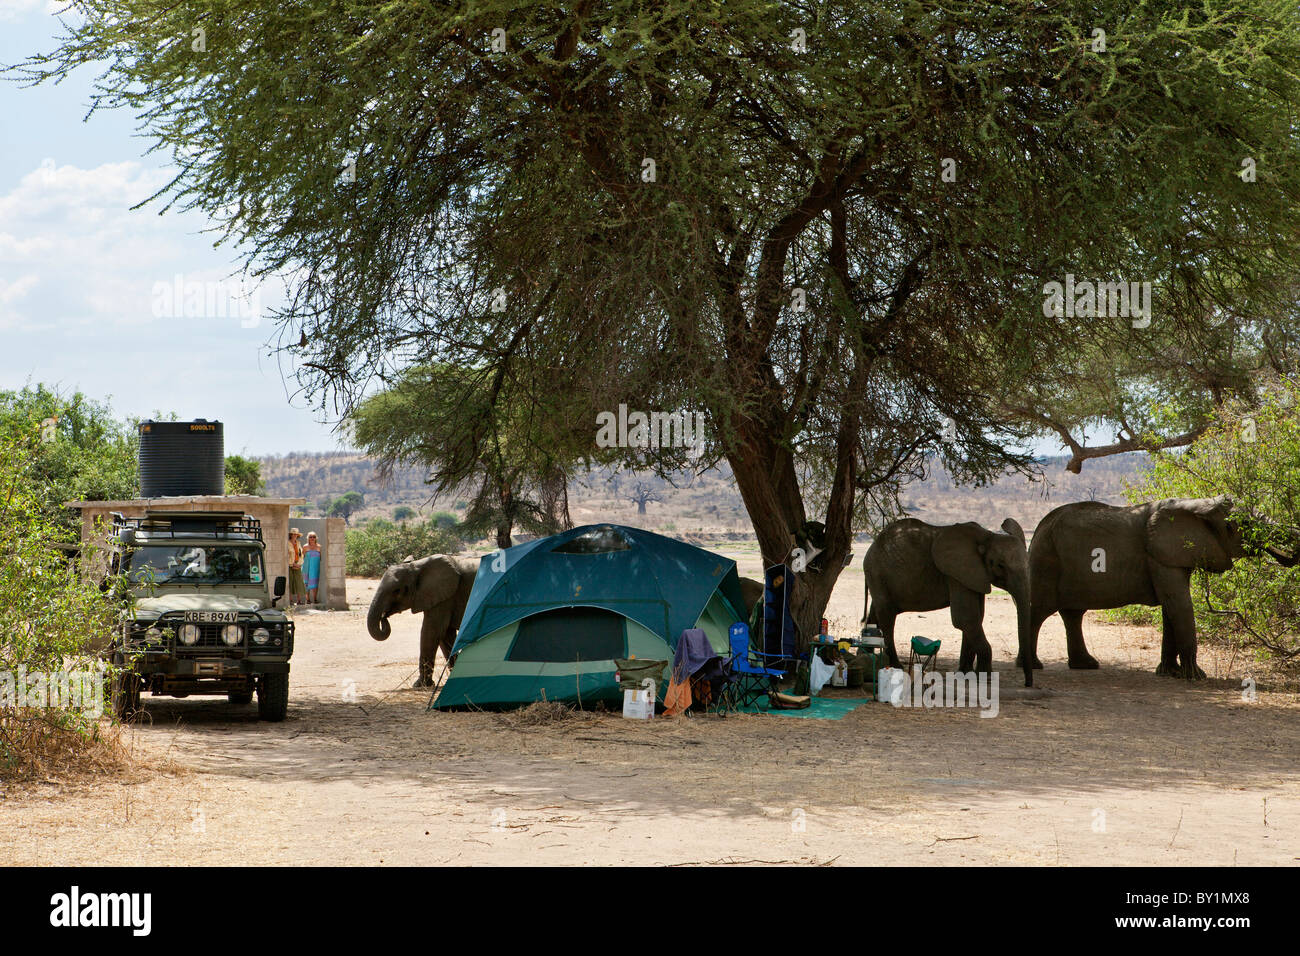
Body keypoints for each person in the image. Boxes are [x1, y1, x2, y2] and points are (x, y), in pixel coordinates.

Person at [303, 531, 322, 605]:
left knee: (315, 583)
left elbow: (320, 557)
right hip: (306, 567)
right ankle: (307, 599)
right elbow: (303, 557)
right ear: (308, 538)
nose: (312, 538)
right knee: (307, 583)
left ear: (316, 538)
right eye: (310, 537)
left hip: (315, 567)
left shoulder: (319, 547)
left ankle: (315, 598)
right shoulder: (305, 547)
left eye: (314, 537)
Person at [287, 529, 306, 606]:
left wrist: (299, 564)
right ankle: (290, 600)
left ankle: (299, 600)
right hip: (290, 565)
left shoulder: (298, 543)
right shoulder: (287, 543)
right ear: (291, 535)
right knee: (290, 582)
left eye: (296, 534)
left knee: (299, 582)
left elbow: (301, 555)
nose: (295, 536)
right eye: (293, 534)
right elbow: (287, 555)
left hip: (297, 565)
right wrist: (292, 564)